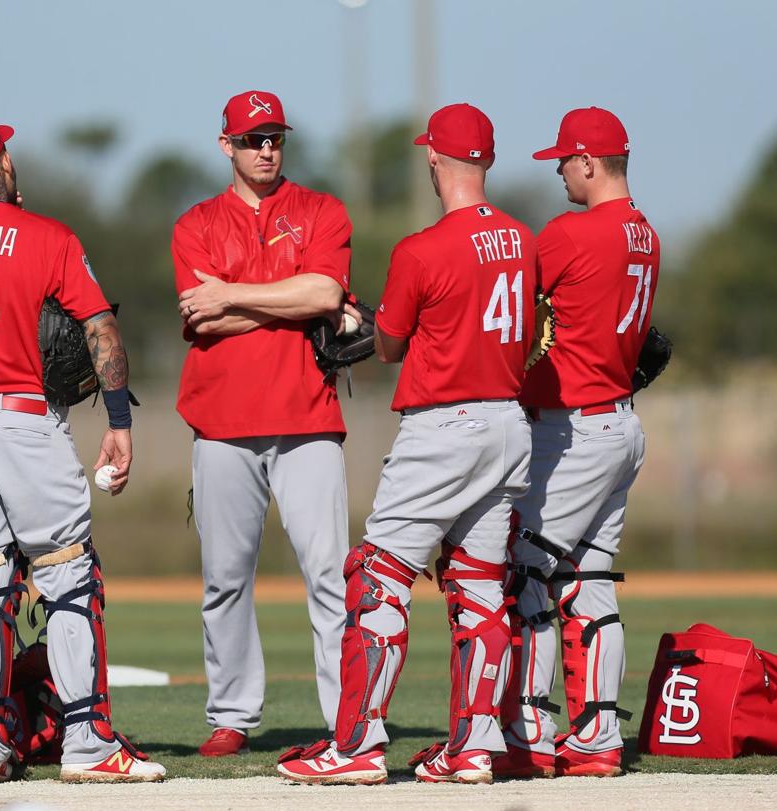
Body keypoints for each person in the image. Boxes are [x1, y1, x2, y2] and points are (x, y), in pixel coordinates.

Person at [0, 114, 164, 783]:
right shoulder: (47, 236)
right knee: (70, 576)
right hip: (24, 419)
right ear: (2, 163)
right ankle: (88, 743)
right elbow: (100, 328)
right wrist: (117, 419)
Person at [277, 103, 534, 785]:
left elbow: (388, 345)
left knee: (378, 578)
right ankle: (476, 745)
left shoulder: (420, 249)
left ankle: (357, 744)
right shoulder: (523, 239)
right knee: (481, 586)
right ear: (488, 159)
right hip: (510, 423)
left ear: (433, 160)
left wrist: (368, 329)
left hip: (443, 425)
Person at [173, 89, 357, 757]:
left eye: (275, 136)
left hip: (309, 415)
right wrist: (290, 301)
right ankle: (231, 713)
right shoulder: (194, 223)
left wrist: (235, 293)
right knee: (225, 576)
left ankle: (348, 716)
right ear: (227, 145)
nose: (266, 148)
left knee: (332, 572)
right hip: (221, 420)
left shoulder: (321, 210)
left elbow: (327, 293)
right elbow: (201, 315)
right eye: (252, 139)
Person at [497, 107, 658, 779]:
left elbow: (507, 301)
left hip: (574, 426)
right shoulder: (645, 232)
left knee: (526, 571)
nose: (560, 169)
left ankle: (530, 732)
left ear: (590, 162)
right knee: (589, 576)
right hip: (620, 419)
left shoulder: (571, 232)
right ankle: (596, 736)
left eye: (564, 159)